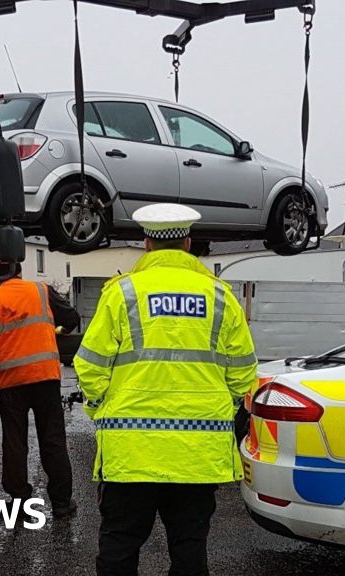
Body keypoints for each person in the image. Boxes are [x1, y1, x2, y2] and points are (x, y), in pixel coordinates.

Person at [75, 203, 258, 576]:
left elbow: (90, 366)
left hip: (131, 454)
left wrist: (99, 408)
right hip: (196, 456)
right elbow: (243, 374)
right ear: (188, 244)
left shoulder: (121, 293)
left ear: (147, 245)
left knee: (120, 546)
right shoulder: (221, 296)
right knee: (189, 550)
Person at [0, 259, 80, 518]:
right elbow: (72, 318)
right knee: (53, 440)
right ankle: (61, 504)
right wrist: (55, 332)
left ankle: (20, 503)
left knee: (14, 443)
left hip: (12, 381)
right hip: (45, 377)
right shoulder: (41, 290)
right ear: (20, 269)